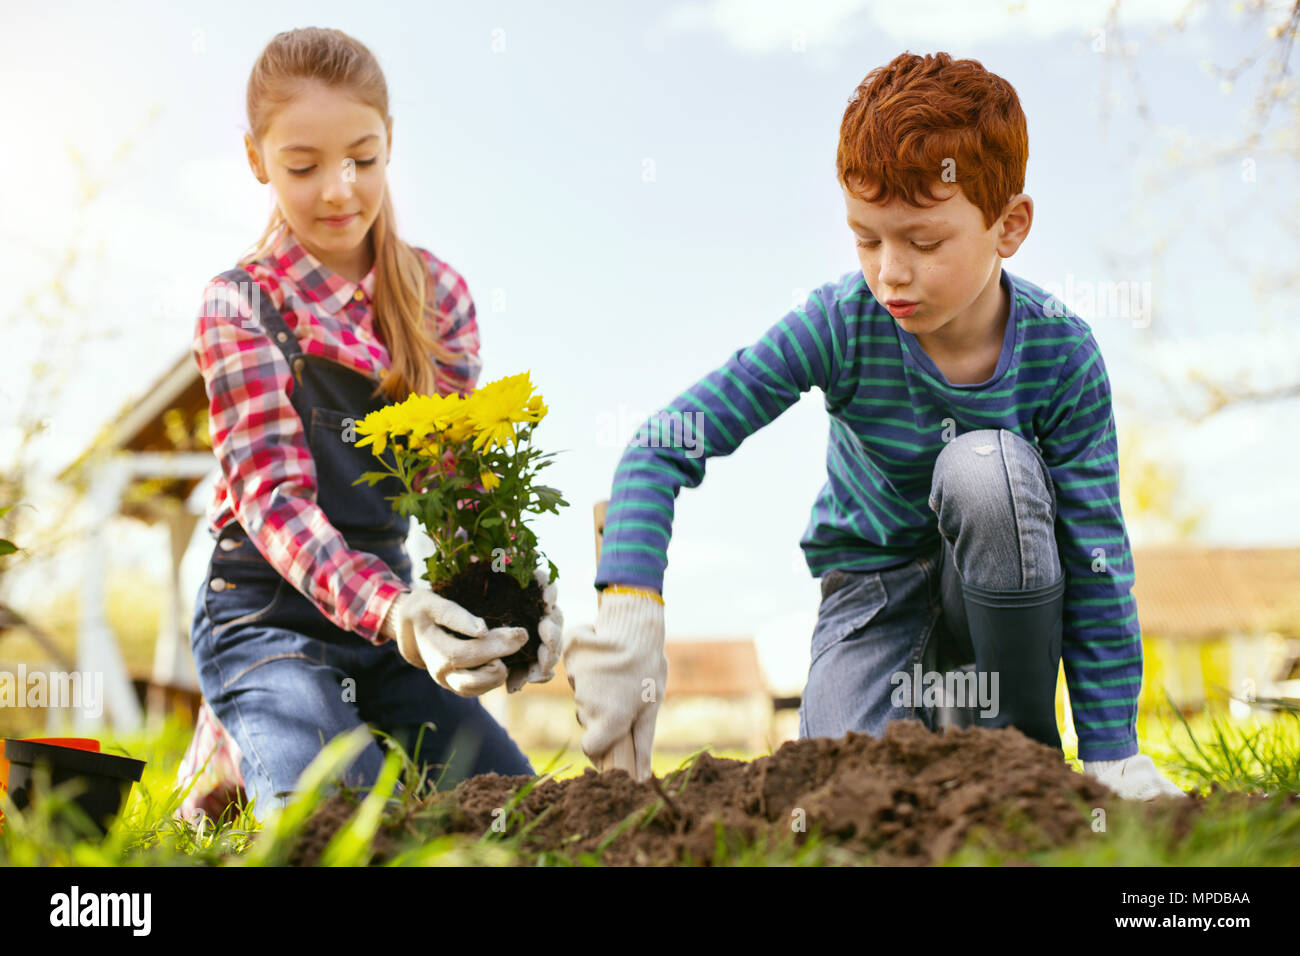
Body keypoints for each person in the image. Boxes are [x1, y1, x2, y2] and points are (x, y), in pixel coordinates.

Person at [563, 51, 1185, 802]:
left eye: (924, 243)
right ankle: (935, 729)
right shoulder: (841, 324)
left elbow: (1094, 555)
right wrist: (632, 607)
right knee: (836, 794)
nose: (890, 272)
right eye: (867, 238)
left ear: (1009, 225)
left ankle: (1021, 757)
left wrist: (1113, 750)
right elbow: (662, 446)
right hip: (871, 598)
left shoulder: (1062, 353)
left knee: (984, 468)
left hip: (1003, 591)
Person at [174, 26, 562, 825]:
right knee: (336, 821)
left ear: (391, 145)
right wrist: (395, 609)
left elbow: (455, 487)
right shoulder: (241, 305)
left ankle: (256, 737)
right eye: (303, 165)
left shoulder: (439, 298)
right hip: (261, 613)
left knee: (514, 810)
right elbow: (273, 500)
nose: (339, 190)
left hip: (389, 633)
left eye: (363, 157)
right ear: (256, 160)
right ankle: (254, 719)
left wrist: (516, 594)